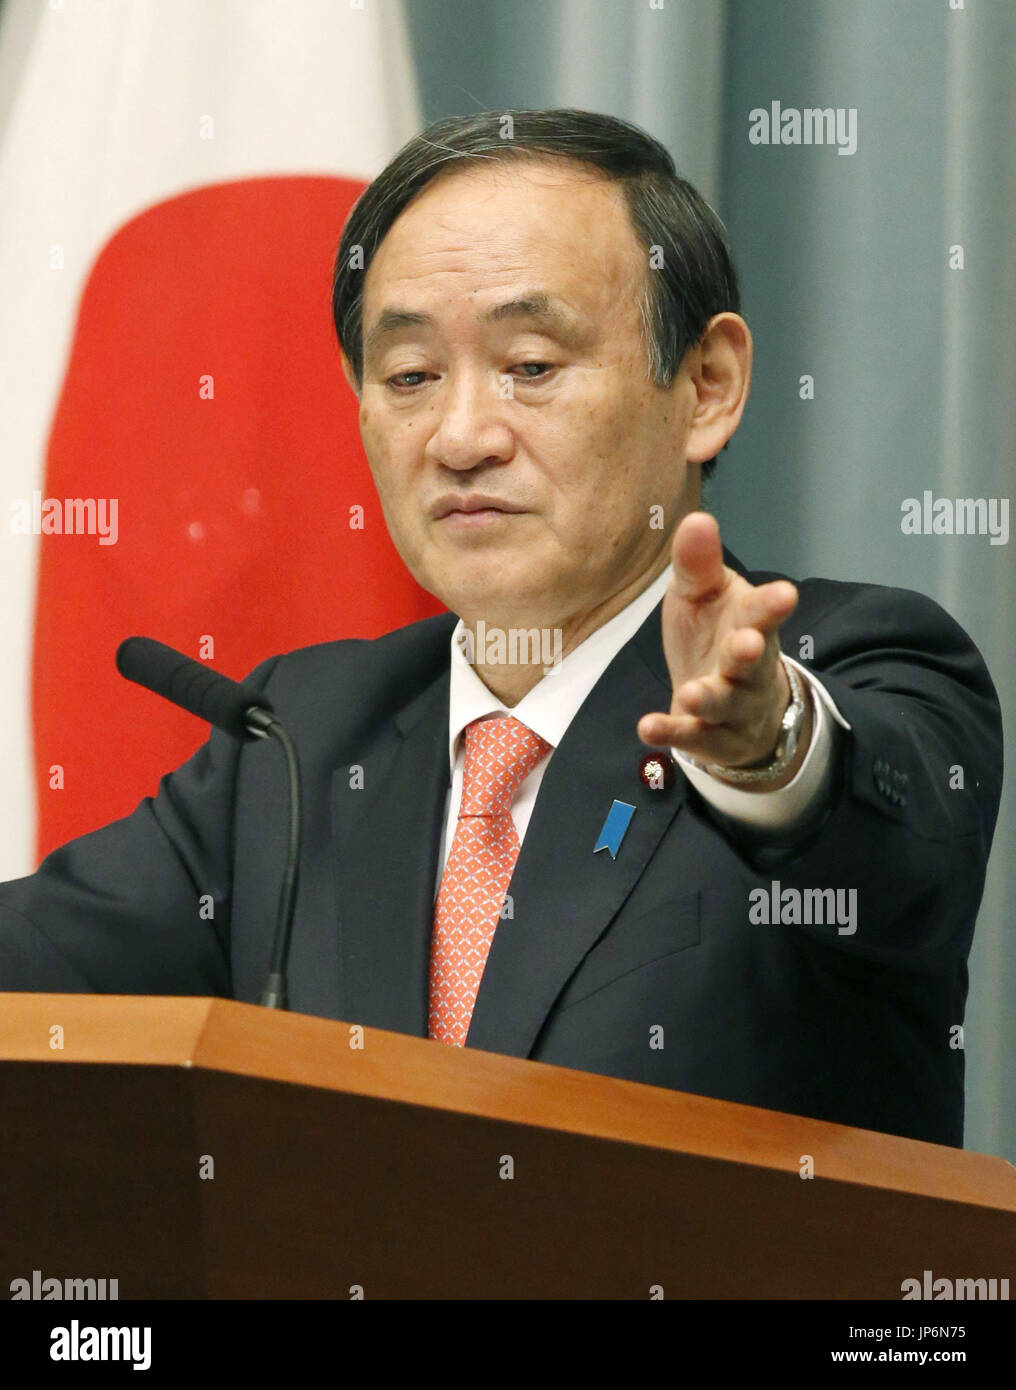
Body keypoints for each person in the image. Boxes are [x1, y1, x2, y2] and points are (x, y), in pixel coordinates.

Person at [0, 110, 1002, 1149]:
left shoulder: (858, 661)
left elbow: (890, 854)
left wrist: (765, 750)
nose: (461, 437)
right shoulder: (297, 742)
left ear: (705, 387)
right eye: (409, 378)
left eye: (529, 364)